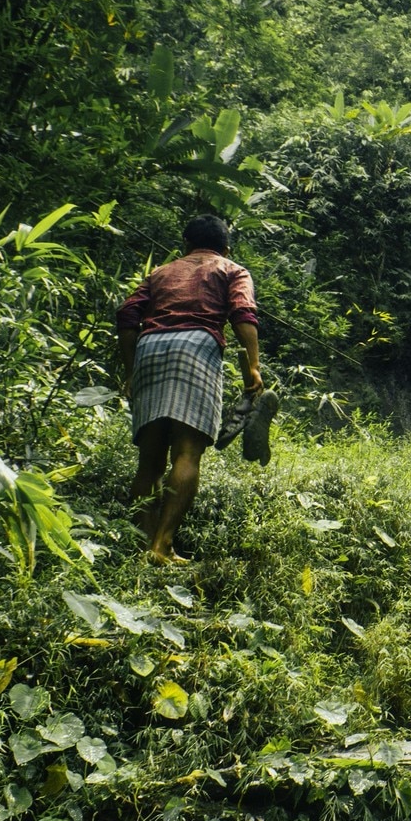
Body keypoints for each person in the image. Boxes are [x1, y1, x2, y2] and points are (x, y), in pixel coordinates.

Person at [117, 215, 265, 563]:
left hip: (149, 349)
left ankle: (144, 546)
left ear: (185, 245)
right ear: (226, 247)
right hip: (197, 349)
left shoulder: (161, 272)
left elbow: (126, 314)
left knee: (148, 462)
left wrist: (131, 369)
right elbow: (243, 313)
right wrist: (254, 367)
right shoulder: (231, 269)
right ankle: (162, 546)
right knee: (186, 453)